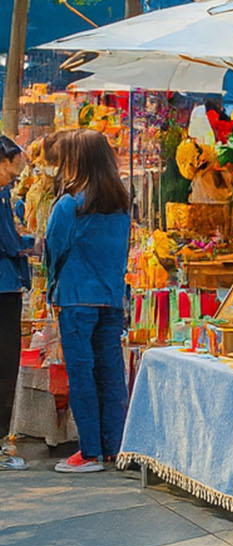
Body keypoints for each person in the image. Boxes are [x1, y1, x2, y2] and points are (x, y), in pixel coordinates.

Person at [44, 130, 132, 474]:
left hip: (76, 299)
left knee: (81, 374)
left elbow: (53, 249)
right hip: (110, 298)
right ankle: (114, 446)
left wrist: (52, 288)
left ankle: (89, 451)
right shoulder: (122, 202)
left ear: (77, 160)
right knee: (111, 373)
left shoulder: (69, 204)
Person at [0, 136, 31, 470]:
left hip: (7, 285)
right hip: (4, 288)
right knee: (5, 365)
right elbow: (9, 242)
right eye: (12, 168)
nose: (14, 176)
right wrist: (26, 245)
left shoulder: (4, 195)